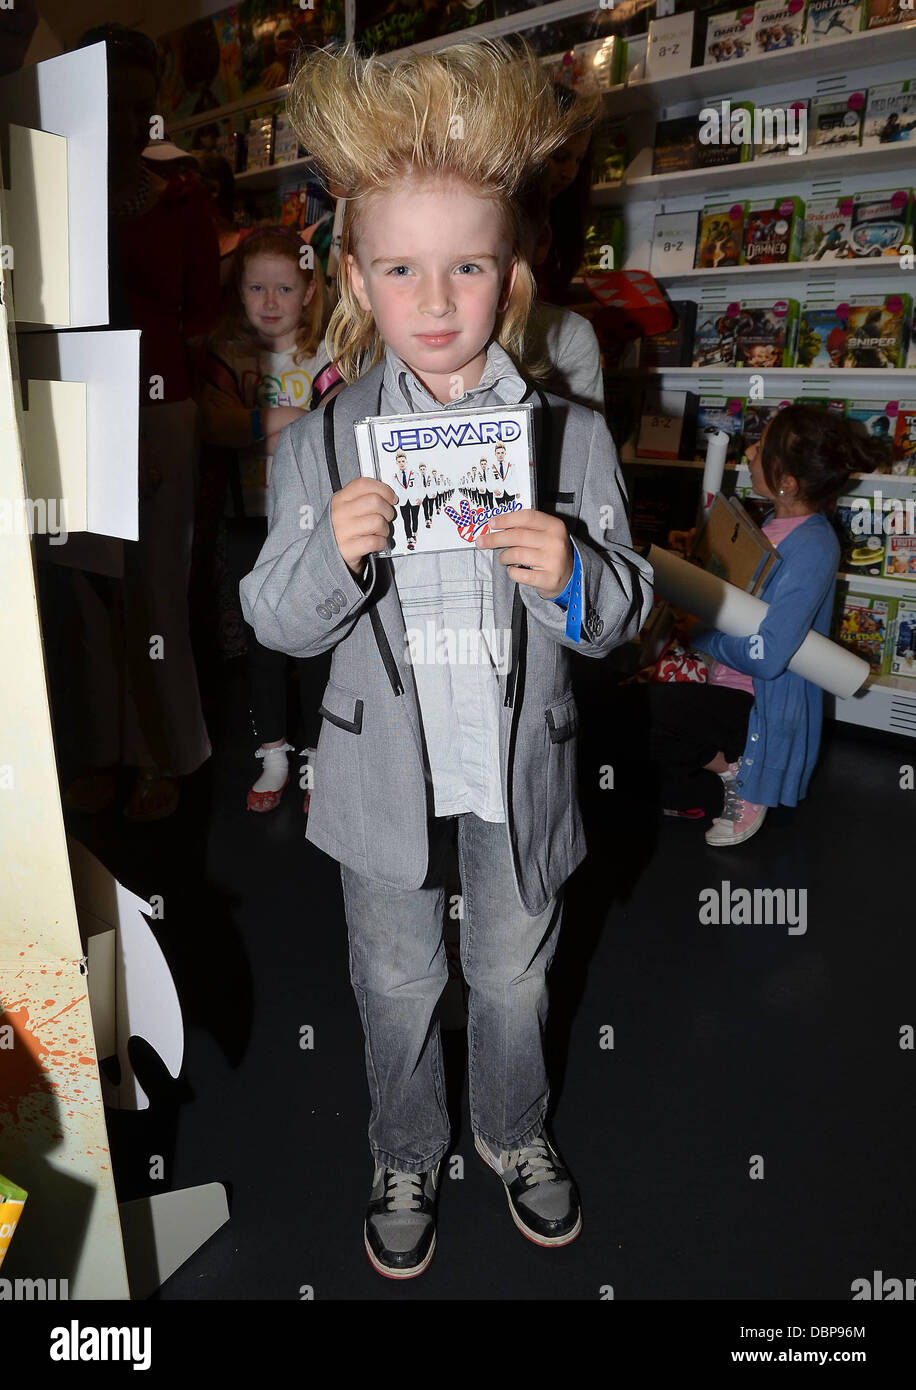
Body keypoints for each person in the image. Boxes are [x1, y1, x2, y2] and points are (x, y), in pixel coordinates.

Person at [239, 37, 653, 1279]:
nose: (435, 301)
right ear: (358, 284)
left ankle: (511, 1129)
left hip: (518, 765)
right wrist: (334, 557)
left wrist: (574, 574)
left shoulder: (570, 436)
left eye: (465, 267)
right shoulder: (315, 446)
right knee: (395, 982)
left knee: (515, 983)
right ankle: (403, 1147)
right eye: (403, 270)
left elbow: (627, 608)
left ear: (510, 275)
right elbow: (273, 617)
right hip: (381, 783)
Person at [63, 23, 219, 821]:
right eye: (110, 105)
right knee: (91, 600)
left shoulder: (183, 199)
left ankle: (164, 755)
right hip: (76, 405)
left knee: (156, 595)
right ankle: (103, 753)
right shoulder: (56, 191)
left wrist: (151, 418)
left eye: (140, 106)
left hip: (158, 411)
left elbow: (198, 322)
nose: (127, 124)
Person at [615, 405, 881, 847]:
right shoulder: (775, 523)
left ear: (787, 482)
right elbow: (741, 597)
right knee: (627, 715)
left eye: (762, 447)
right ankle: (715, 777)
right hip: (726, 682)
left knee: (643, 714)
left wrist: (702, 636)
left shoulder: (812, 546)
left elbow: (770, 655)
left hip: (756, 703)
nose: (751, 450)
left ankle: (738, 769)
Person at [199, 224, 342, 812]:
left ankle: (316, 757)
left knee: (314, 641)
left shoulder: (328, 355)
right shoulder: (227, 356)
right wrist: (287, 418)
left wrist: (262, 423)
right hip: (249, 520)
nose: (270, 302)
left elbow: (335, 429)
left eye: (284, 289)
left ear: (309, 291)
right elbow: (218, 427)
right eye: (255, 289)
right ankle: (274, 752)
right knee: (262, 645)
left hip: (310, 525)